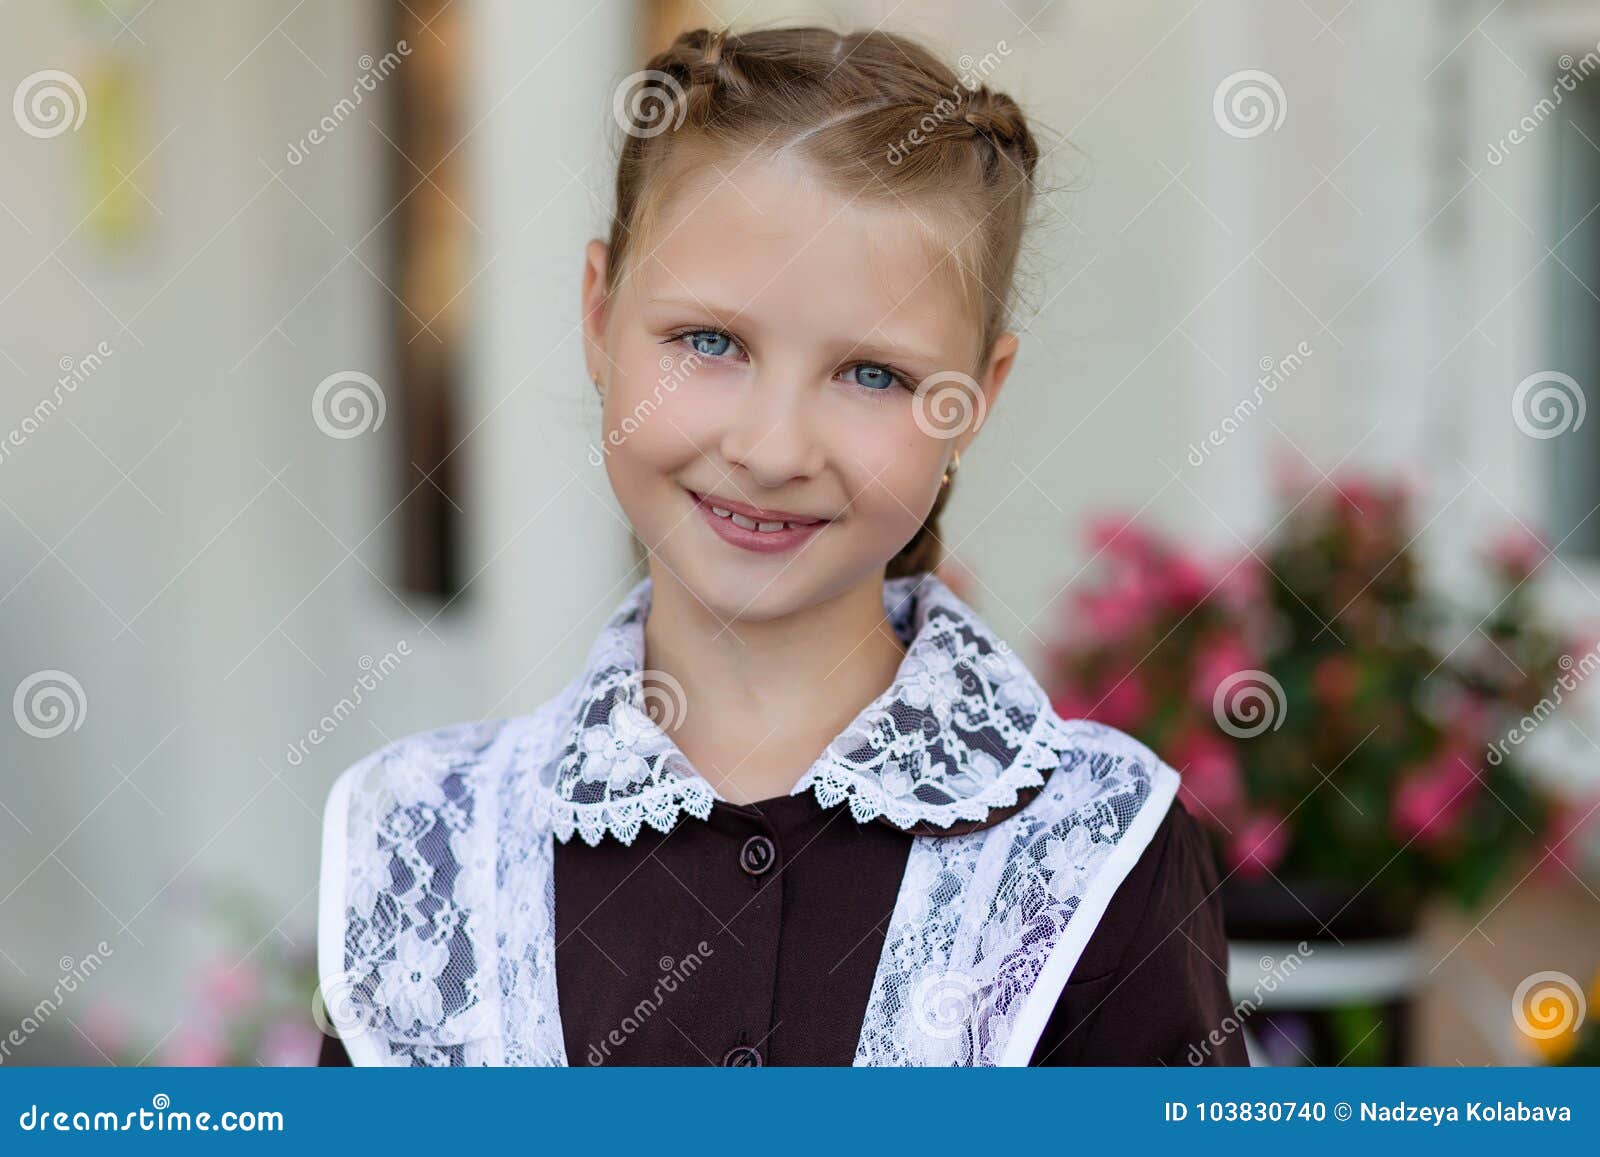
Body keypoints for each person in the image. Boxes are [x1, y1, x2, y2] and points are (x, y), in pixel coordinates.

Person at [316, 23, 1247, 1068]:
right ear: (597, 313)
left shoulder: (1091, 851)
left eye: (872, 374)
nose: (771, 449)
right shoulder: (422, 842)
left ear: (973, 396)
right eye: (709, 342)